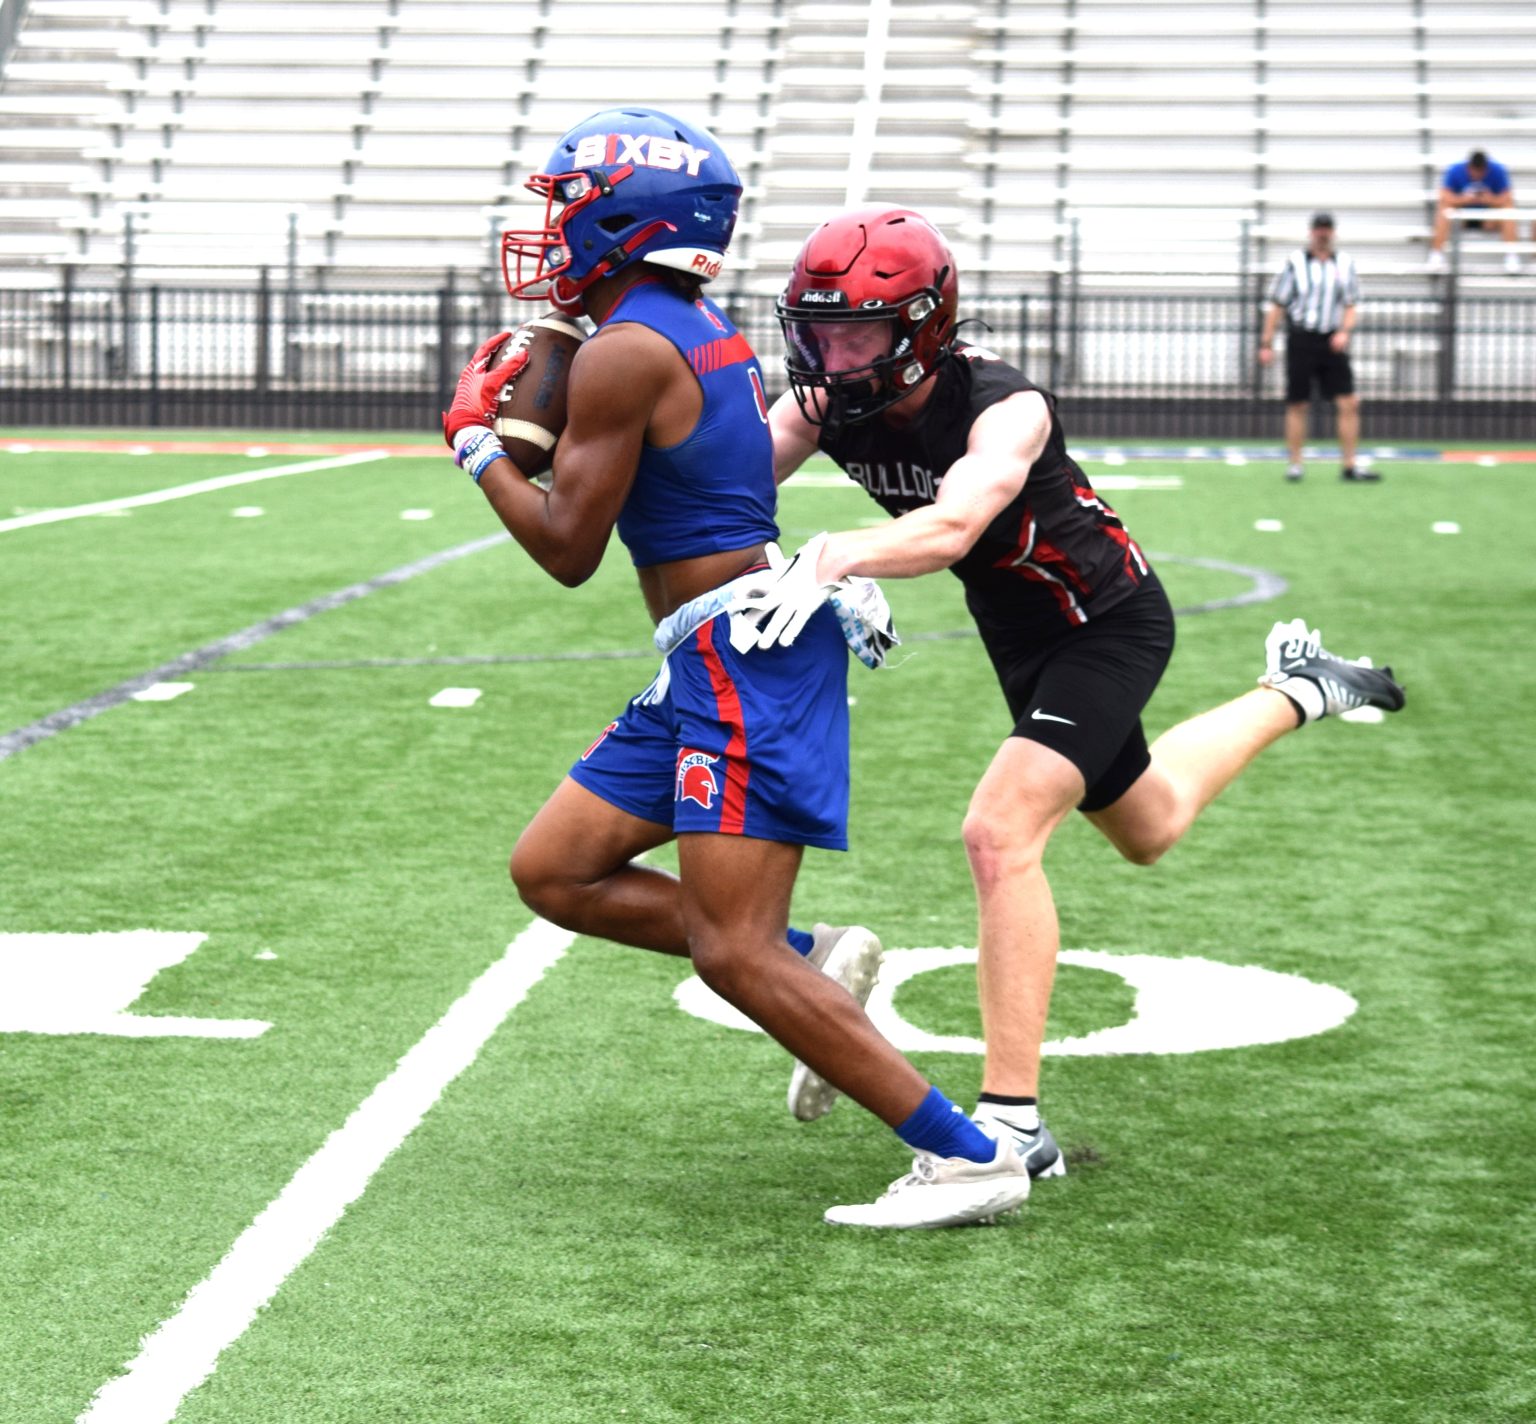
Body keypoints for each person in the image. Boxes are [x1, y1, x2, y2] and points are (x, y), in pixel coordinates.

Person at [442, 110, 1031, 1229]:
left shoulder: (626, 347)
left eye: (570, 203)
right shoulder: (683, 324)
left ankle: (968, 1155)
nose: (552, 225)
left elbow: (568, 548)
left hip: (741, 657)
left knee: (729, 948)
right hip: (711, 651)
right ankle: (817, 956)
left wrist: (479, 444)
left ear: (625, 220)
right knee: (555, 870)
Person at [750, 206, 1405, 1204]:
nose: (833, 357)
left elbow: (960, 520)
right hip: (1022, 637)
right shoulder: (822, 400)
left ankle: (1012, 1127)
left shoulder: (1005, 404)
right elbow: (726, 491)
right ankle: (1303, 685)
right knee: (1148, 822)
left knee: (999, 830)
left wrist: (840, 554)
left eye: (860, 334)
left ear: (924, 327)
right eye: (821, 331)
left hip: (1106, 623)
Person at [1258, 213, 1372, 483]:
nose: (1323, 234)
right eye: (1319, 229)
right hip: (1302, 338)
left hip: (1332, 339)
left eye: (1327, 229)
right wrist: (1266, 342)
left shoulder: (1344, 264)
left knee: (1349, 402)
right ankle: (1296, 463)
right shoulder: (1295, 263)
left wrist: (1344, 331)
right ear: (1312, 233)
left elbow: (1351, 303)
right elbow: (1278, 304)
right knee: (1298, 402)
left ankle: (1349, 464)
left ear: (1333, 233)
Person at [1428, 149, 1520, 275]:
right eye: (1474, 171)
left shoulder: (1497, 170)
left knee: (1508, 209)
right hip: (1462, 218)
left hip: (1488, 219)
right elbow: (1444, 196)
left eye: (1481, 171)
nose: (1477, 175)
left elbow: (1507, 198)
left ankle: (1511, 255)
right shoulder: (1455, 170)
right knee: (1444, 208)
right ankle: (1436, 254)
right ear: (1468, 167)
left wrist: (1489, 199)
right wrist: (1464, 199)